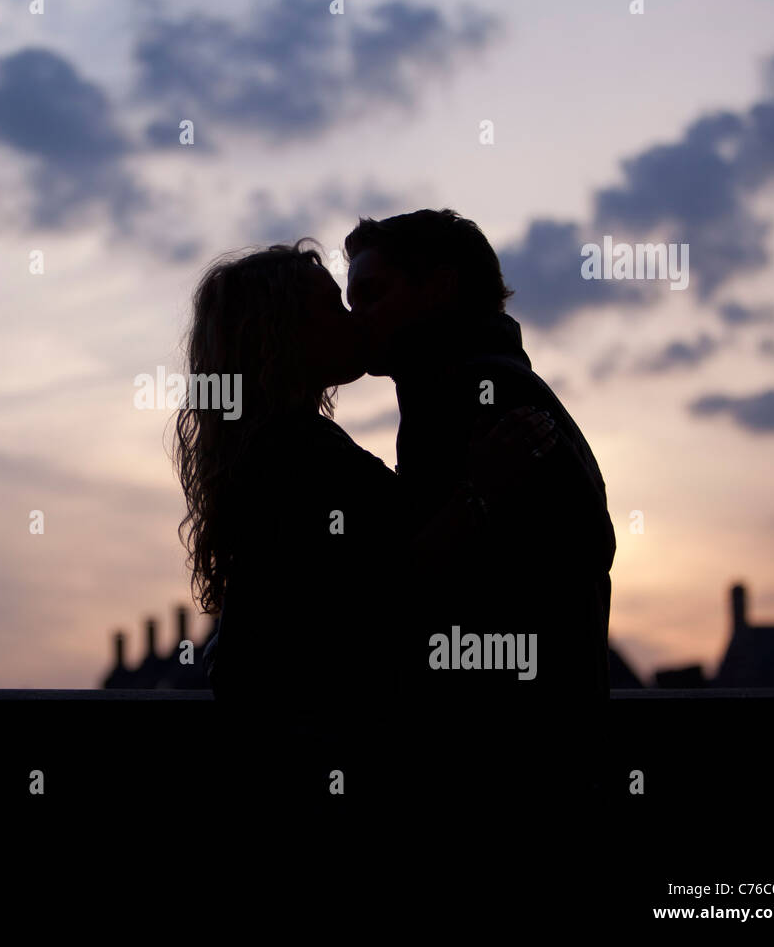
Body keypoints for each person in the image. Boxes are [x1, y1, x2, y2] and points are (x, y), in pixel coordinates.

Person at [173, 241, 557, 797]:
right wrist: (481, 493)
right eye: (332, 306)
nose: (353, 319)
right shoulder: (298, 454)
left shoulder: (269, 450)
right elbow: (385, 591)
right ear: (284, 335)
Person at [345, 208, 616, 803]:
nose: (354, 315)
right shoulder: (481, 386)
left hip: (494, 770)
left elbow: (432, 588)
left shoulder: (465, 396)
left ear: (439, 288)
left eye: (371, 293)